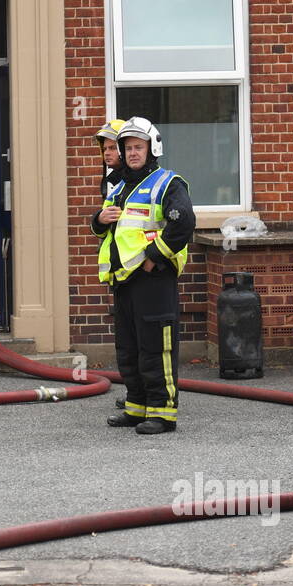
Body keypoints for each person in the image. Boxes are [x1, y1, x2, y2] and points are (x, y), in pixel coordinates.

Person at [90, 116, 194, 435]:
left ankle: (162, 413)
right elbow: (110, 232)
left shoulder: (167, 183)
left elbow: (184, 223)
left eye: (139, 147)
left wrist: (153, 257)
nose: (133, 153)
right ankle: (136, 408)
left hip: (153, 279)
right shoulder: (120, 187)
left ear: (152, 148)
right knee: (129, 348)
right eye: (128, 148)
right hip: (124, 281)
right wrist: (98, 219)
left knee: (156, 347)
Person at [94, 119, 125, 201]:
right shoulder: (113, 181)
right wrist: (99, 214)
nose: (106, 153)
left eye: (112, 148)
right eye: (104, 149)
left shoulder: (133, 181)